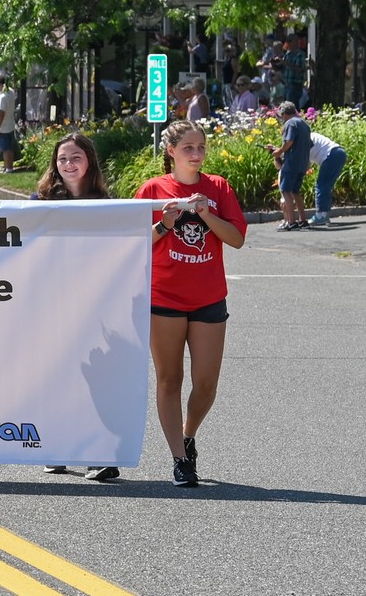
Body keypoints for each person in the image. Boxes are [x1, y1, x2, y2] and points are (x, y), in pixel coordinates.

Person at [136, 120, 247, 486]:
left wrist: (205, 213)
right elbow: (133, 244)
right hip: (163, 298)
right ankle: (180, 460)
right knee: (170, 380)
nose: (197, 154)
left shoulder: (218, 188)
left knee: (206, 384)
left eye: (201, 147)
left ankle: (188, 433)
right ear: (171, 151)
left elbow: (236, 239)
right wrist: (166, 223)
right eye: (188, 148)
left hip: (208, 298)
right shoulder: (153, 190)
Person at [33, 132, 119, 481]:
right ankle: (58, 447)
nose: (68, 164)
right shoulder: (39, 202)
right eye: (62, 159)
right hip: (52, 303)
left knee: (98, 380)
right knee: (58, 377)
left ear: (89, 161)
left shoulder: (108, 204)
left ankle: (101, 454)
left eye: (75, 158)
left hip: (96, 305)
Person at [266, 101, 311, 231]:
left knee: (286, 191)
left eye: (281, 116)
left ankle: (291, 222)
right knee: (296, 192)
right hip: (302, 163)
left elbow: (289, 141)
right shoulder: (304, 124)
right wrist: (279, 148)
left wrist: (279, 151)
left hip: (291, 163)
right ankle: (303, 220)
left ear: (285, 114)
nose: (281, 118)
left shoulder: (290, 123)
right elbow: (307, 144)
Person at [306, 131, 347, 226]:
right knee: (325, 185)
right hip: (339, 153)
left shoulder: (304, 140)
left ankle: (321, 216)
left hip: (332, 155)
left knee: (322, 184)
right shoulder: (309, 135)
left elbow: (305, 164)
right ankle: (324, 214)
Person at [0, 74, 17, 173]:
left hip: (3, 127)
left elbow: (1, 113)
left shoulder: (3, 97)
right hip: (10, 125)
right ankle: (8, 167)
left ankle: (9, 168)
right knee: (9, 148)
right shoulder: (11, 92)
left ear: (1, 85)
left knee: (5, 149)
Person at [281, 33, 308, 107]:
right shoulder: (287, 54)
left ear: (296, 42)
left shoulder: (300, 54)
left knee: (291, 107)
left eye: (290, 41)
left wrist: (286, 63)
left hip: (295, 85)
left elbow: (299, 69)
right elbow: (284, 68)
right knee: (285, 107)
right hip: (286, 84)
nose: (288, 43)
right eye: (287, 41)